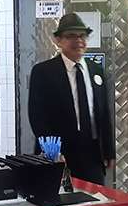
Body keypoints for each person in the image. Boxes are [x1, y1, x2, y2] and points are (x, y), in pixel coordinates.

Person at [28, 12, 115, 186]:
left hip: (92, 152)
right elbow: (37, 117)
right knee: (58, 205)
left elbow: (104, 114)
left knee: (94, 203)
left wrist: (108, 150)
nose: (79, 40)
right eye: (71, 36)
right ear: (59, 41)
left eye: (82, 35)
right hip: (60, 154)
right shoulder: (43, 72)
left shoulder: (96, 71)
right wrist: (52, 152)